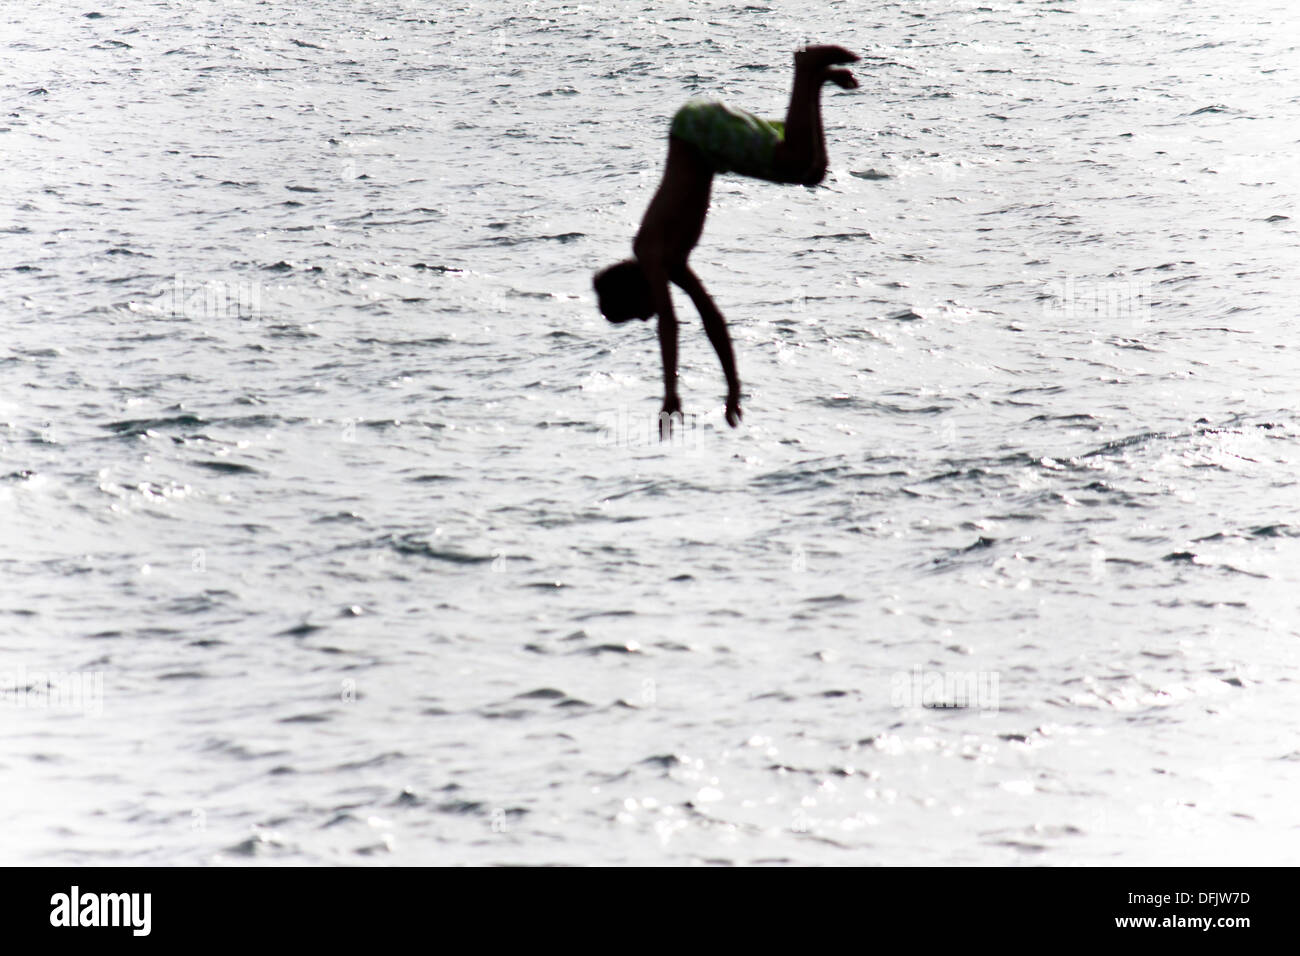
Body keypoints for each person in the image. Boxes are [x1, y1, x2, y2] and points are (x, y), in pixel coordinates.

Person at [593, 45, 859, 437]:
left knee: (792, 159)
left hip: (696, 133)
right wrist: (733, 388)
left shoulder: (649, 250)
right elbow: (711, 318)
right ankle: (815, 81)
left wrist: (671, 395)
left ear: (634, 293)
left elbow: (670, 321)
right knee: (810, 170)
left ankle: (805, 67)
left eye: (637, 313)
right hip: (702, 143)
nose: (647, 317)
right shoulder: (672, 263)